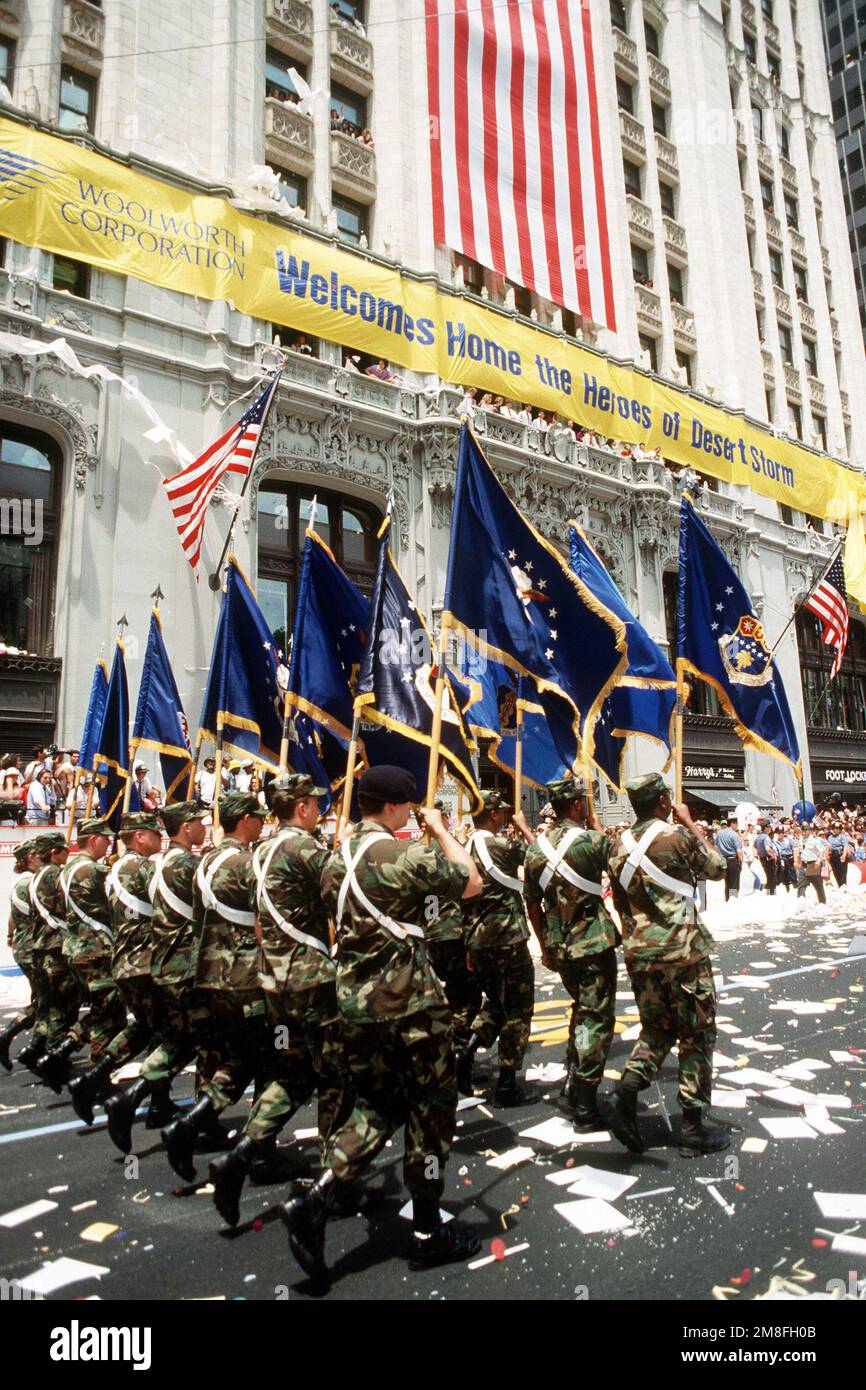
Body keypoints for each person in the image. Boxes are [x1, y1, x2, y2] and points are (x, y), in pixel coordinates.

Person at [282, 765, 483, 1283]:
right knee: (430, 1115)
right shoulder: (401, 852)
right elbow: (472, 883)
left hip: (354, 1006)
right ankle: (426, 1233)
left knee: (375, 1108)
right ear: (395, 808)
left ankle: (319, 1194)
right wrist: (439, 830)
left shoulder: (333, 861)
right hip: (409, 1006)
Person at [210, 773, 352, 1228]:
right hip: (311, 981)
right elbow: (344, 896)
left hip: (274, 980)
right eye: (314, 802)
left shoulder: (261, 851)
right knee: (336, 1075)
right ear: (304, 808)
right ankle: (337, 1179)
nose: (318, 809)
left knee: (291, 1074)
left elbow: (256, 919)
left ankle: (240, 1156)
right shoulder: (305, 849)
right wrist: (343, 849)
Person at [607, 773, 728, 1157]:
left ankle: (627, 1089)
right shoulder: (676, 836)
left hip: (640, 953)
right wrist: (689, 820)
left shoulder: (616, 847)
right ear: (662, 802)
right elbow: (718, 867)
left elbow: (622, 904)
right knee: (696, 1033)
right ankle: (692, 1125)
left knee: (656, 1030)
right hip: (683, 953)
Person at [162, 792, 266, 1181]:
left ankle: (197, 1126)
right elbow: (261, 920)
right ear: (245, 821)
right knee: (264, 1058)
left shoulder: (202, 862)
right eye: (258, 817)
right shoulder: (247, 863)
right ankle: (253, 1145)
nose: (261, 822)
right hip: (245, 978)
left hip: (209, 974)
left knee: (232, 1056)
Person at [105, 800, 210, 1155]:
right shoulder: (178, 865)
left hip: (150, 964)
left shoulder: (138, 867)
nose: (203, 826)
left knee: (170, 1035)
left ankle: (153, 1104)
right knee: (196, 1039)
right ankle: (192, 1118)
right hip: (175, 966)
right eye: (198, 821)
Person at [524, 776, 617, 1129]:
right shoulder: (593, 842)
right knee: (596, 1019)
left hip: (560, 946)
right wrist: (596, 825)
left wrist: (545, 945)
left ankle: (571, 1078)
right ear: (577, 805)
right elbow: (620, 866)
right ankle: (585, 1103)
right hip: (593, 943)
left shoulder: (535, 849)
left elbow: (532, 903)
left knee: (581, 1010)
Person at [455, 789, 536, 1106]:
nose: (505, 816)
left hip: (477, 939)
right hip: (507, 939)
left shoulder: (462, 848)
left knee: (498, 1005)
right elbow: (541, 857)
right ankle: (506, 1083)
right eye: (502, 812)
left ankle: (466, 1049)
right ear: (492, 814)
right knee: (518, 1010)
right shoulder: (501, 845)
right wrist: (524, 827)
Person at [61, 818, 132, 1112]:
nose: (108, 843)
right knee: (108, 1014)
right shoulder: (92, 870)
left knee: (102, 1010)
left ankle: (72, 1058)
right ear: (93, 840)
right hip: (96, 950)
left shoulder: (68, 869)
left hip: (78, 948)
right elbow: (123, 887)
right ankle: (96, 1078)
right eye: (105, 839)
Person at [0, 841, 42, 1069]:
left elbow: (12, 917)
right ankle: (13, 1038)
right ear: (27, 859)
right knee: (47, 1001)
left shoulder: (19, 882)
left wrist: (9, 936)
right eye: (36, 854)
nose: (41, 857)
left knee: (43, 999)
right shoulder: (31, 882)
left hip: (22, 945)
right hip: (33, 947)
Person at [714, 817, 743, 900]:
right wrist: (741, 862)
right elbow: (739, 851)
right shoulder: (734, 834)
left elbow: (716, 847)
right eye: (736, 824)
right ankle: (733, 902)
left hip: (723, 860)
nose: (737, 826)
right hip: (733, 860)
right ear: (732, 823)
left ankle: (727, 900)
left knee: (727, 883)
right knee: (734, 884)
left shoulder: (719, 833)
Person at [797, 826, 827, 904]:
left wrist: (818, 861)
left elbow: (822, 851)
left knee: (818, 885)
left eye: (806, 831)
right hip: (804, 864)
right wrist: (798, 861)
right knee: (801, 884)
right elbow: (800, 851)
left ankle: (822, 902)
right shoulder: (800, 840)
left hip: (813, 864)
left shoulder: (814, 840)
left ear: (810, 831)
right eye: (803, 831)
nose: (804, 833)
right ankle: (801, 902)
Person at [754, 820, 778, 895]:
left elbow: (754, 847)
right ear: (765, 828)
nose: (770, 828)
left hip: (762, 859)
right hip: (768, 859)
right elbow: (767, 849)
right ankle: (771, 895)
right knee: (772, 878)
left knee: (769, 877)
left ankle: (769, 894)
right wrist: (774, 856)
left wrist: (758, 854)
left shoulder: (758, 837)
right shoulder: (766, 837)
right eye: (768, 827)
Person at [828, 822, 850, 889]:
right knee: (835, 872)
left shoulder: (843, 837)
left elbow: (845, 846)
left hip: (840, 855)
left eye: (837, 829)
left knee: (842, 872)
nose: (836, 830)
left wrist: (844, 855)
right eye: (834, 828)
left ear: (840, 830)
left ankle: (843, 886)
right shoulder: (830, 837)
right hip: (833, 856)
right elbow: (828, 846)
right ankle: (839, 886)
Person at [776, 823, 797, 890]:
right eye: (779, 833)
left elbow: (795, 847)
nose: (781, 834)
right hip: (781, 857)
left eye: (782, 832)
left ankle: (795, 884)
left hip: (789, 857)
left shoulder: (788, 839)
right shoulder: (775, 841)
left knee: (792, 870)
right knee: (783, 872)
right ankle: (785, 884)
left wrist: (794, 856)